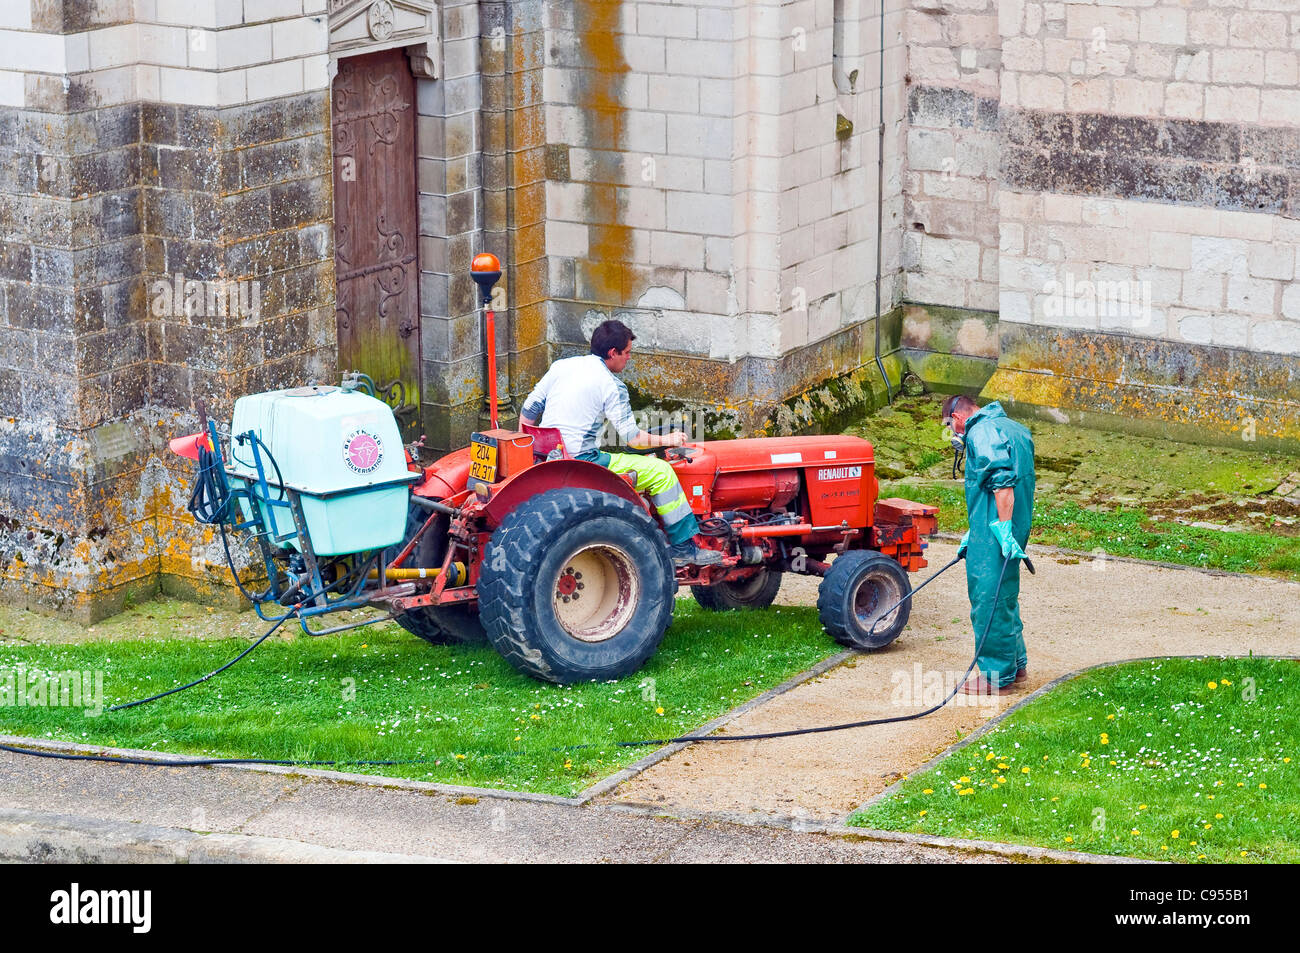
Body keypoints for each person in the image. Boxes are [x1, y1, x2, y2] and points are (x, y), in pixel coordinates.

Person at [519, 319, 723, 567]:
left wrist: (530, 446)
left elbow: (529, 412)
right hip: (582, 461)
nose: (629, 359)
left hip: (550, 455)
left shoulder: (562, 366)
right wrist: (668, 439)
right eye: (627, 353)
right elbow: (634, 439)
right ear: (612, 353)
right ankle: (683, 546)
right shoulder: (611, 385)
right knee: (662, 472)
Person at [941, 395, 1036, 695]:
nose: (952, 433)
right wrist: (978, 531)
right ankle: (1016, 664)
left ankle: (997, 676)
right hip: (1007, 525)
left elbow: (1002, 484)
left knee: (987, 599)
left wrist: (1001, 530)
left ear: (957, 418)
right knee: (1005, 593)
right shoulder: (1015, 428)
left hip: (997, 530)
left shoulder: (980, 433)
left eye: (948, 426)